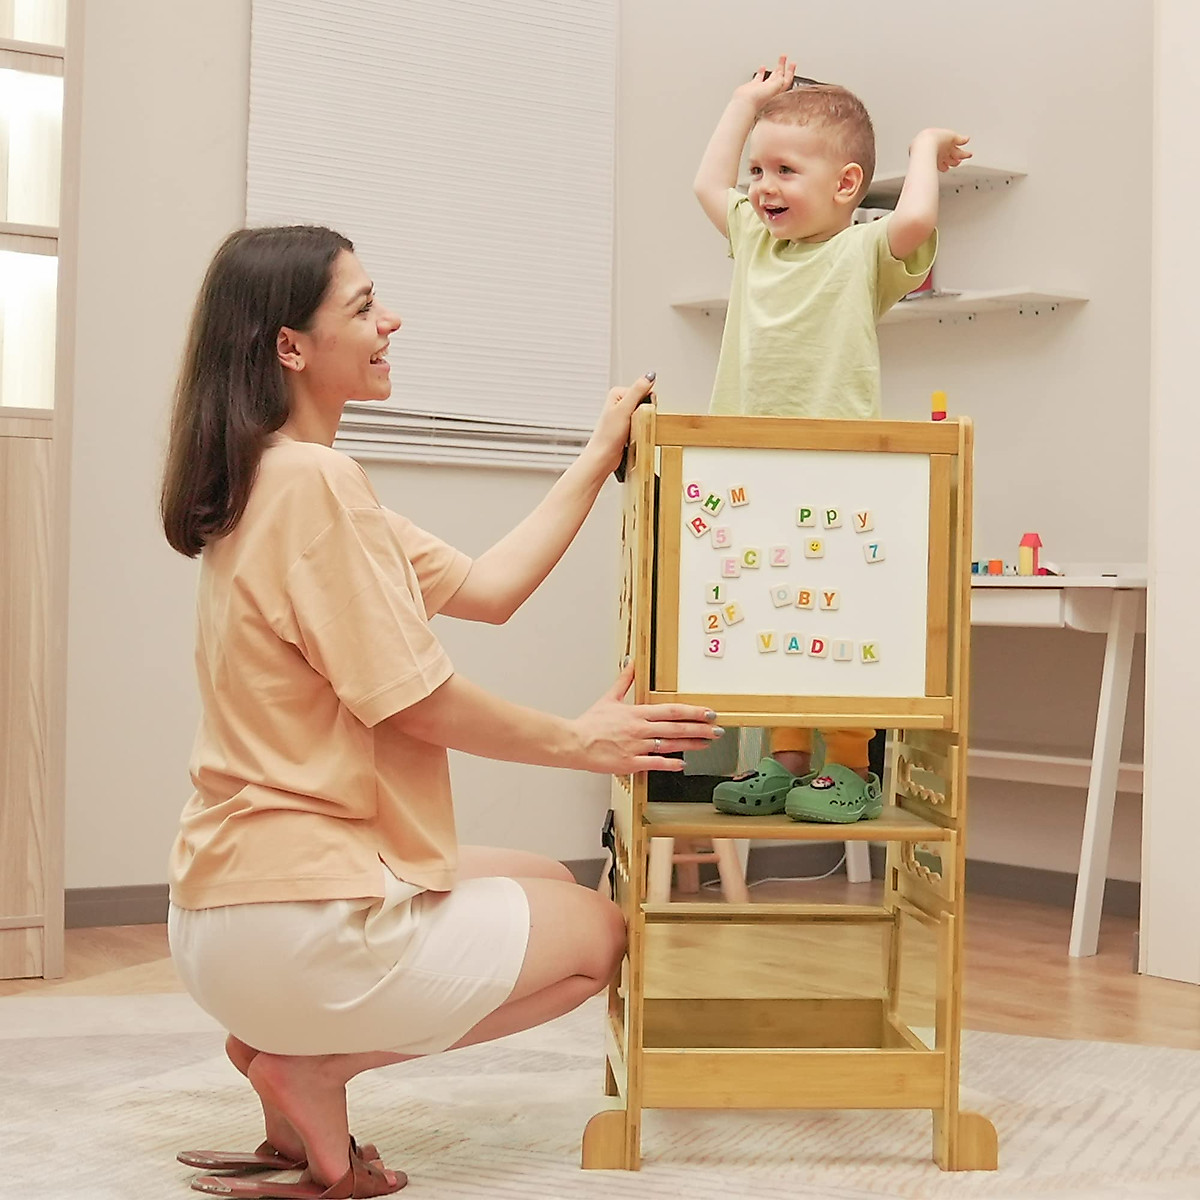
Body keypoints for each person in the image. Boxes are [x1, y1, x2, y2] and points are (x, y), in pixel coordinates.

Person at [160, 224, 721, 1199]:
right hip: (295, 928)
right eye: (364, 306)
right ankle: (312, 1069)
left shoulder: (270, 475)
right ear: (290, 346)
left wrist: (599, 452)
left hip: (226, 916)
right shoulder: (318, 485)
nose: (392, 320)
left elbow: (492, 585)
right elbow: (415, 702)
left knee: (543, 876)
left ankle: (286, 1088)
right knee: (600, 935)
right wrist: (583, 742)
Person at [692, 54, 969, 825]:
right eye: (759, 169)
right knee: (779, 615)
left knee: (842, 616)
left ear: (846, 186)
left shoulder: (862, 254)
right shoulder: (752, 239)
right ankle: (784, 764)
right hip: (754, 469)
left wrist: (922, 149)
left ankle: (848, 764)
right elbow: (706, 186)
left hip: (841, 475)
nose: (762, 186)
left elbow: (914, 222)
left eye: (785, 170)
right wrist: (744, 102)